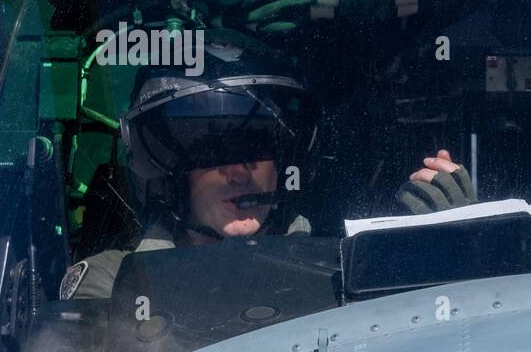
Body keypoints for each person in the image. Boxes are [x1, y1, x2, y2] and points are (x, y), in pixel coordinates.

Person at [59, 43, 477, 300]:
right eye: (213, 151)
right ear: (171, 173)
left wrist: (449, 244)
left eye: (258, 147)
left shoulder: (346, 268)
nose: (239, 171)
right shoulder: (112, 283)